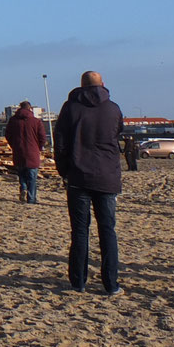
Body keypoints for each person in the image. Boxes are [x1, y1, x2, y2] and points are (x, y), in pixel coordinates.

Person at [54, 71, 124, 295]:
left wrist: (64, 171)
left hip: (79, 176)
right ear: (102, 84)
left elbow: (60, 142)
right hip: (105, 176)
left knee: (80, 231)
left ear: (82, 85)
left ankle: (79, 282)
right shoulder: (113, 109)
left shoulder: (71, 108)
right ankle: (110, 284)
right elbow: (116, 135)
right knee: (107, 230)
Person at [5, 101, 48, 204]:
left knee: (22, 174)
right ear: (30, 108)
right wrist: (39, 147)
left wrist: (14, 145)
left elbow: (8, 135)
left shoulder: (13, 121)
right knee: (32, 178)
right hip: (32, 152)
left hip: (18, 151)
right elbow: (42, 137)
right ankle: (31, 198)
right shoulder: (36, 121)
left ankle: (23, 188)